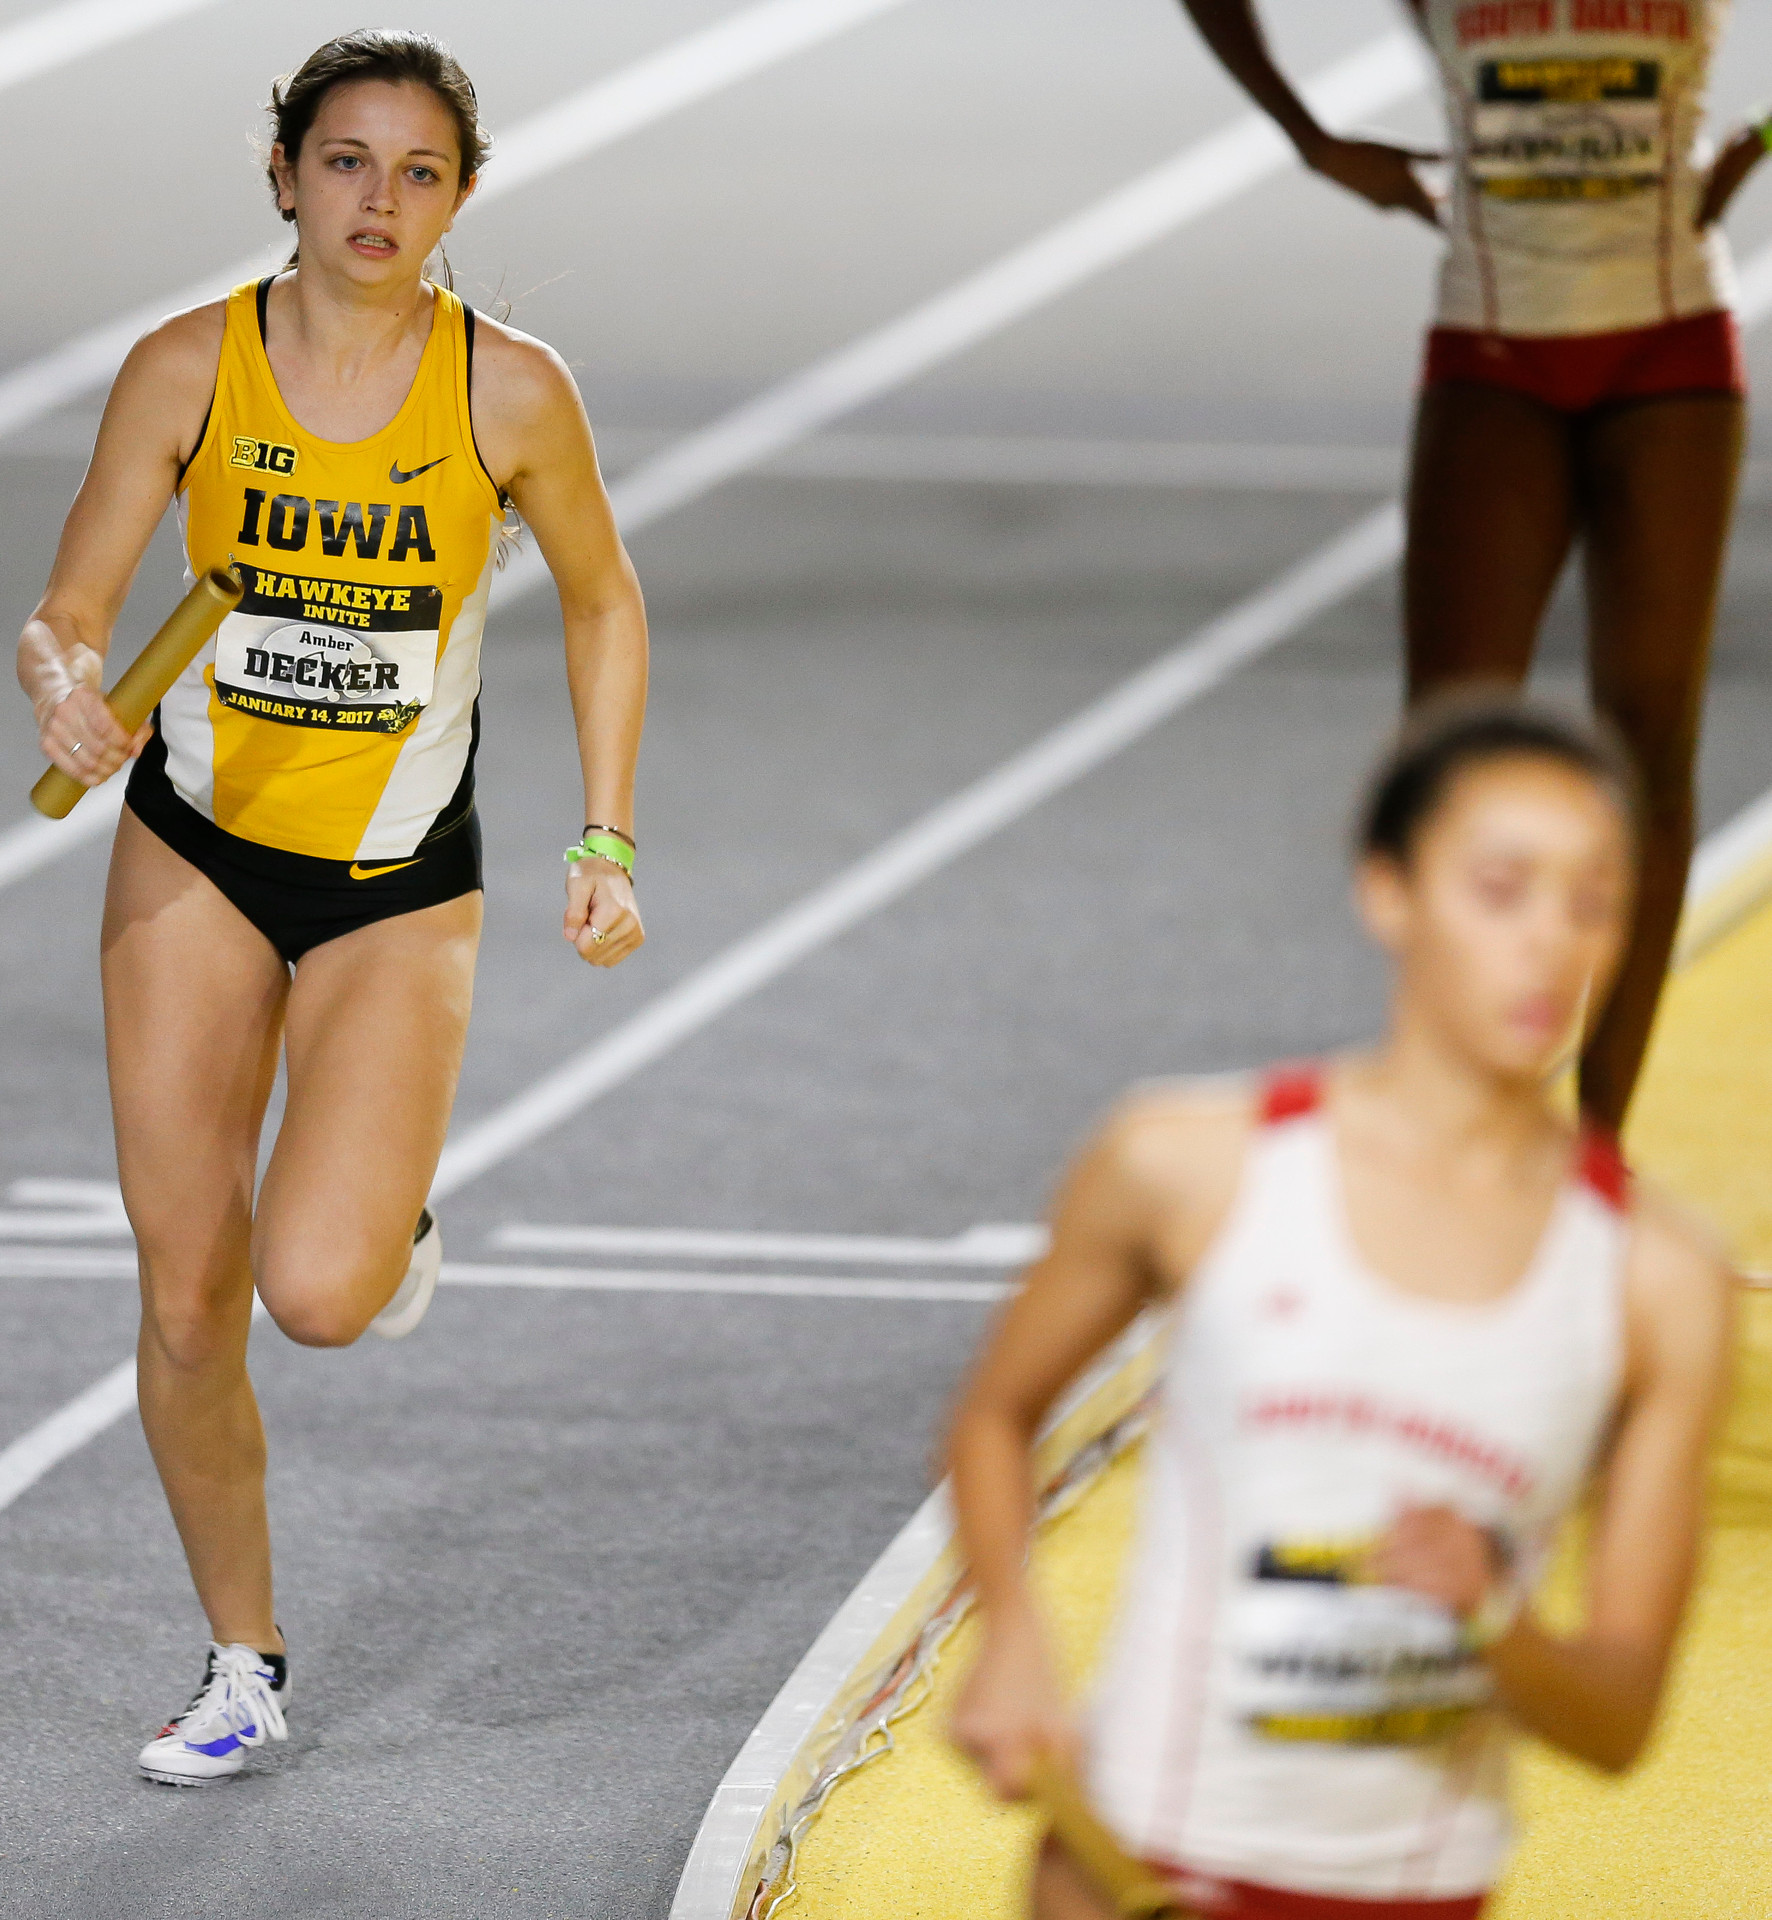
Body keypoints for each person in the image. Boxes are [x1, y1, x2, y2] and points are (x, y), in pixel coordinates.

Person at [15, 30, 648, 1785]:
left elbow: (605, 601)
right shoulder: (185, 368)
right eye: (348, 161)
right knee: (188, 1295)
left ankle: (386, 1217)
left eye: (420, 171)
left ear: (461, 196)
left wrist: (603, 839)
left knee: (314, 1291)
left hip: (393, 888)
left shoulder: (509, 394)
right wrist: (62, 686)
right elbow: (68, 608)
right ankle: (241, 1658)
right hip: (197, 853)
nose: (381, 198)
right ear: (286, 173)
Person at [947, 699, 1735, 1918]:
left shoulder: (1654, 1278)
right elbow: (993, 1416)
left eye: (1591, 902)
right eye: (1500, 890)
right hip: (1129, 1871)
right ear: (1386, 892)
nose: (1548, 942)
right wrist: (1009, 1636)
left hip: (1415, 1896)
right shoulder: (1186, 1164)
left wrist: (1489, 1620)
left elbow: (1618, 1721)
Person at [1174, 0, 1768, 1129]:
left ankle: (1597, 1149)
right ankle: (1462, 1113)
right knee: (1450, 756)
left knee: (1648, 750)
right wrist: (1309, 137)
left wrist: (1758, 139)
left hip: (1671, 350)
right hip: (1493, 355)